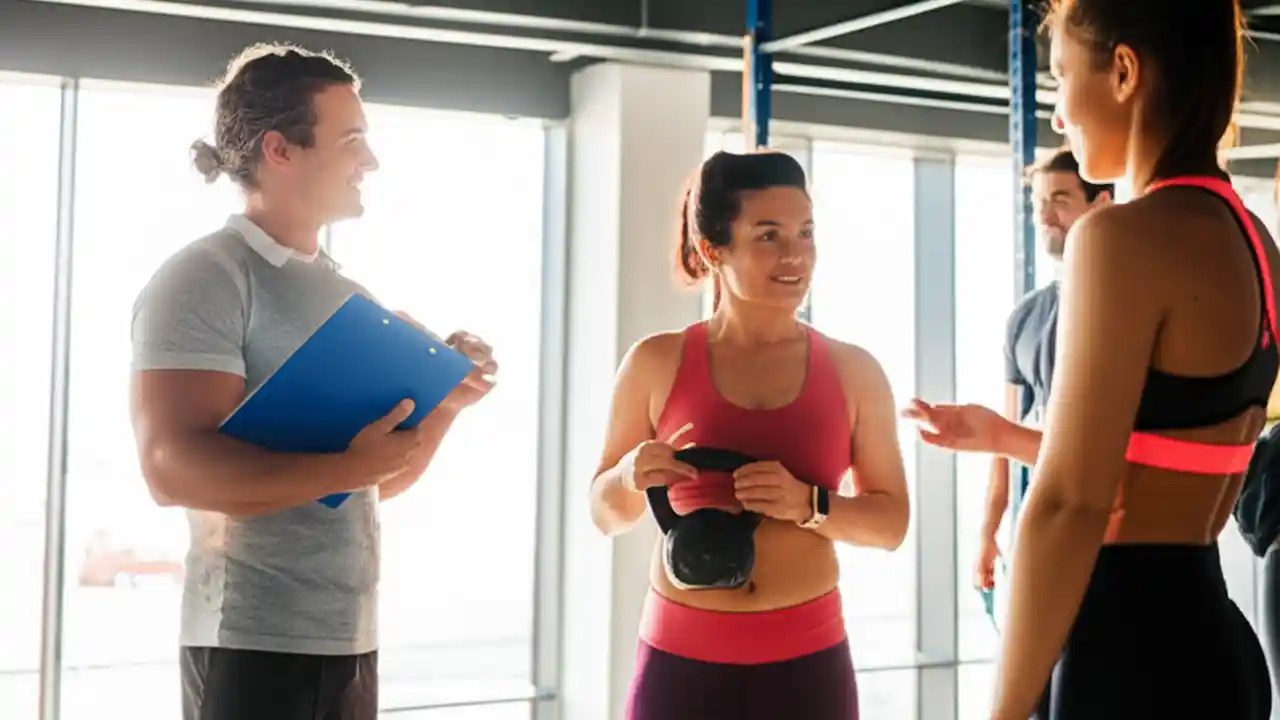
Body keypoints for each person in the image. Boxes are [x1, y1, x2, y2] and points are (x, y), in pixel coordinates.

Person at [904, 1, 1275, 717]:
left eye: (1061, 78)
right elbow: (1167, 457)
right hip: (1217, 649)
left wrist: (1005, 710)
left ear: (1124, 72)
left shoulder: (1117, 239)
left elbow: (1071, 501)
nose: (1057, 114)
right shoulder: (1258, 243)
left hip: (1121, 653)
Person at [129, 43, 496, 720]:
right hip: (248, 642)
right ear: (281, 150)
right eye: (353, 139)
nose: (371, 161)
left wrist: (443, 407)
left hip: (347, 639)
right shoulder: (207, 276)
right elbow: (172, 470)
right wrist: (345, 467)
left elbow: (368, 482)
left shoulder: (346, 292)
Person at [588, 150, 910, 720]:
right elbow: (606, 514)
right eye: (768, 236)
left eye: (805, 233)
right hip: (679, 663)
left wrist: (808, 504)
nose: (795, 255)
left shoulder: (854, 370)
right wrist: (628, 474)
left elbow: (891, 526)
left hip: (806, 664)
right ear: (714, 250)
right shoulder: (654, 361)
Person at [974, 147, 1112, 596]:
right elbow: (1006, 434)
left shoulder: (1125, 306)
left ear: (1101, 204)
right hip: (1048, 528)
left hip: (1119, 532)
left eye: (1060, 200)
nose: (1046, 216)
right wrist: (988, 531)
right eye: (1038, 204)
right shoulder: (1025, 318)